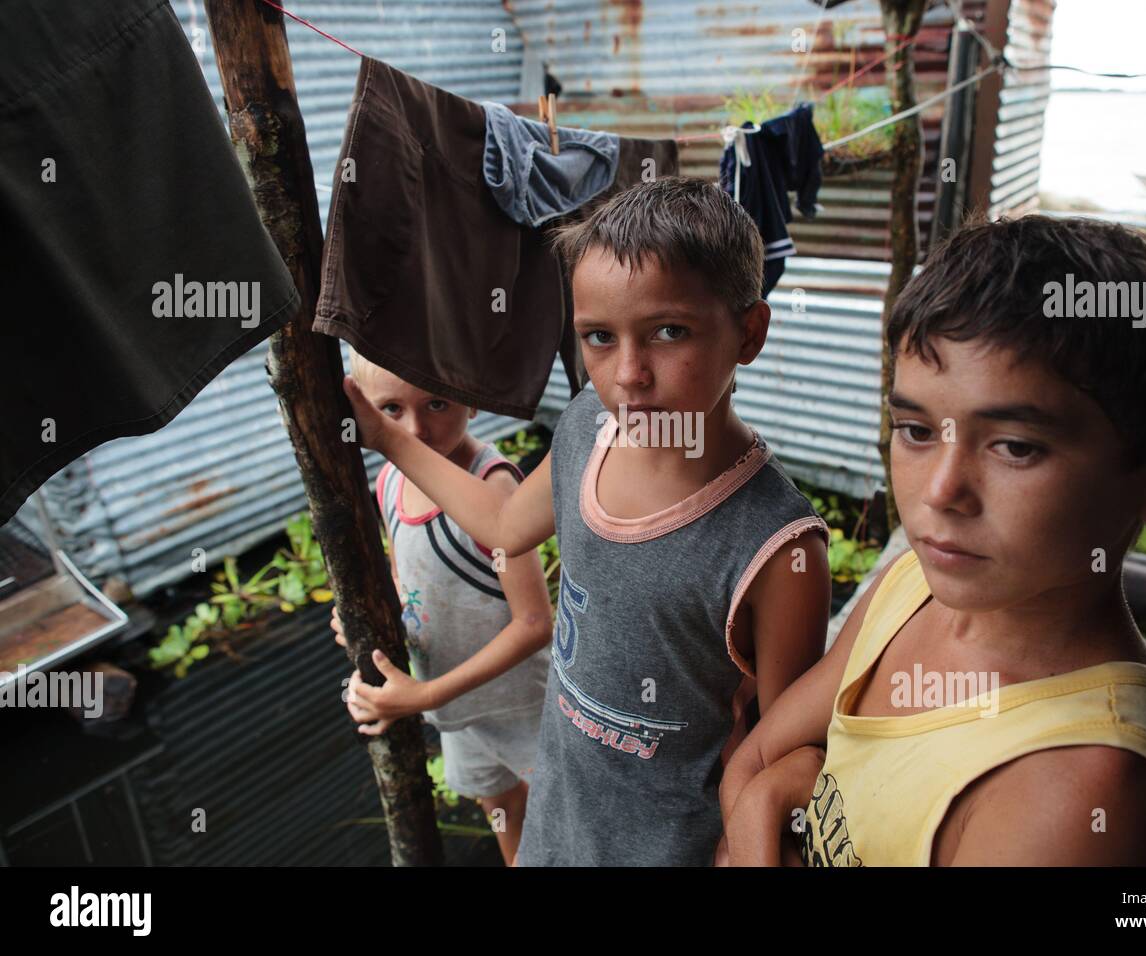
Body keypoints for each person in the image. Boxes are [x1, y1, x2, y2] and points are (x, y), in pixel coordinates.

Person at [719, 215, 1146, 866]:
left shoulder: (1081, 791)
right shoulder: (910, 587)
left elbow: (753, 793)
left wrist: (773, 799)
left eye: (1016, 447)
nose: (940, 492)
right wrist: (767, 790)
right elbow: (755, 762)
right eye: (915, 429)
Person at [341, 176, 831, 865]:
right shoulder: (586, 430)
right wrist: (389, 440)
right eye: (599, 338)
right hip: (558, 816)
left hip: (670, 847)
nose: (628, 373)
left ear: (749, 333)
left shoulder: (777, 547)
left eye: (669, 332)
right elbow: (507, 522)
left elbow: (785, 742)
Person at [336, 350, 552, 866]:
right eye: (391, 410)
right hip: (460, 713)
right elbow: (402, 577)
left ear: (472, 399)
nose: (416, 430)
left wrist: (425, 693)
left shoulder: (493, 485)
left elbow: (535, 622)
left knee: (559, 822)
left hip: (526, 710)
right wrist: (354, 616)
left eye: (437, 403)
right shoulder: (389, 482)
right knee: (500, 808)